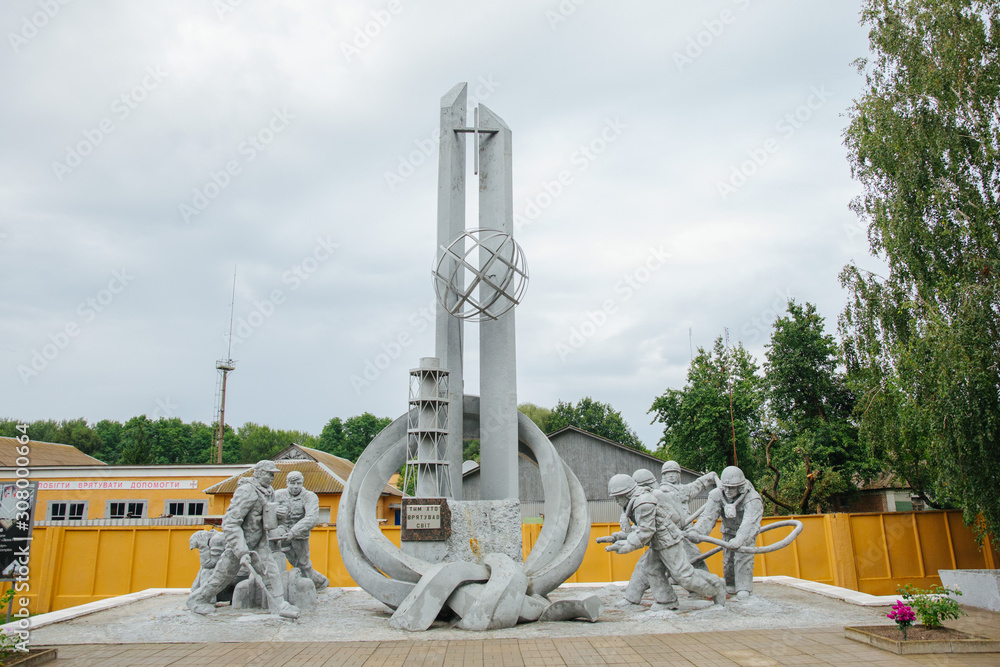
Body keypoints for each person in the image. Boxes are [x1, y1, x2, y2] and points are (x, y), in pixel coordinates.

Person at [187, 460, 299, 618]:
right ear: (259, 473)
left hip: (259, 543)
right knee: (222, 576)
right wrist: (241, 550)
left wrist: (280, 516)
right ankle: (198, 600)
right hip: (239, 545)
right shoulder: (247, 491)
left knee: (271, 572)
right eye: (269, 474)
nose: (272, 477)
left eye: (273, 474)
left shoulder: (268, 491)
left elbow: (267, 520)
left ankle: (280, 605)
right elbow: (230, 522)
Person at [599, 474, 725, 608]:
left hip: (668, 542)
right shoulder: (635, 501)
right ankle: (666, 601)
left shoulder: (643, 502)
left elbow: (646, 531)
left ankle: (716, 586)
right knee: (651, 569)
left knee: (684, 576)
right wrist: (617, 537)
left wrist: (627, 546)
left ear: (626, 493)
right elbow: (639, 528)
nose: (616, 501)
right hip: (658, 543)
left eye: (617, 497)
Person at [687, 465, 763, 599]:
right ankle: (730, 584)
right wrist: (697, 531)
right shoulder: (716, 495)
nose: (728, 491)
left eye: (732, 488)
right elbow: (708, 516)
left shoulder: (752, 498)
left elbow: (750, 522)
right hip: (728, 531)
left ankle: (743, 587)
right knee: (728, 559)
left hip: (745, 533)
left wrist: (739, 539)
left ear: (740, 487)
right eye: (726, 487)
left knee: (743, 557)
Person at [274, 470, 329, 590]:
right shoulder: (277, 495)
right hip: (282, 532)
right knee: (274, 556)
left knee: (302, 564)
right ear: (287, 483)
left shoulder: (309, 496)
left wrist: (293, 532)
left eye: (298, 483)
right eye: (292, 483)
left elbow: (311, 517)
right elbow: (265, 510)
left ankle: (319, 583)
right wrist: (275, 511)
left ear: (302, 483)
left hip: (299, 535)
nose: (295, 487)